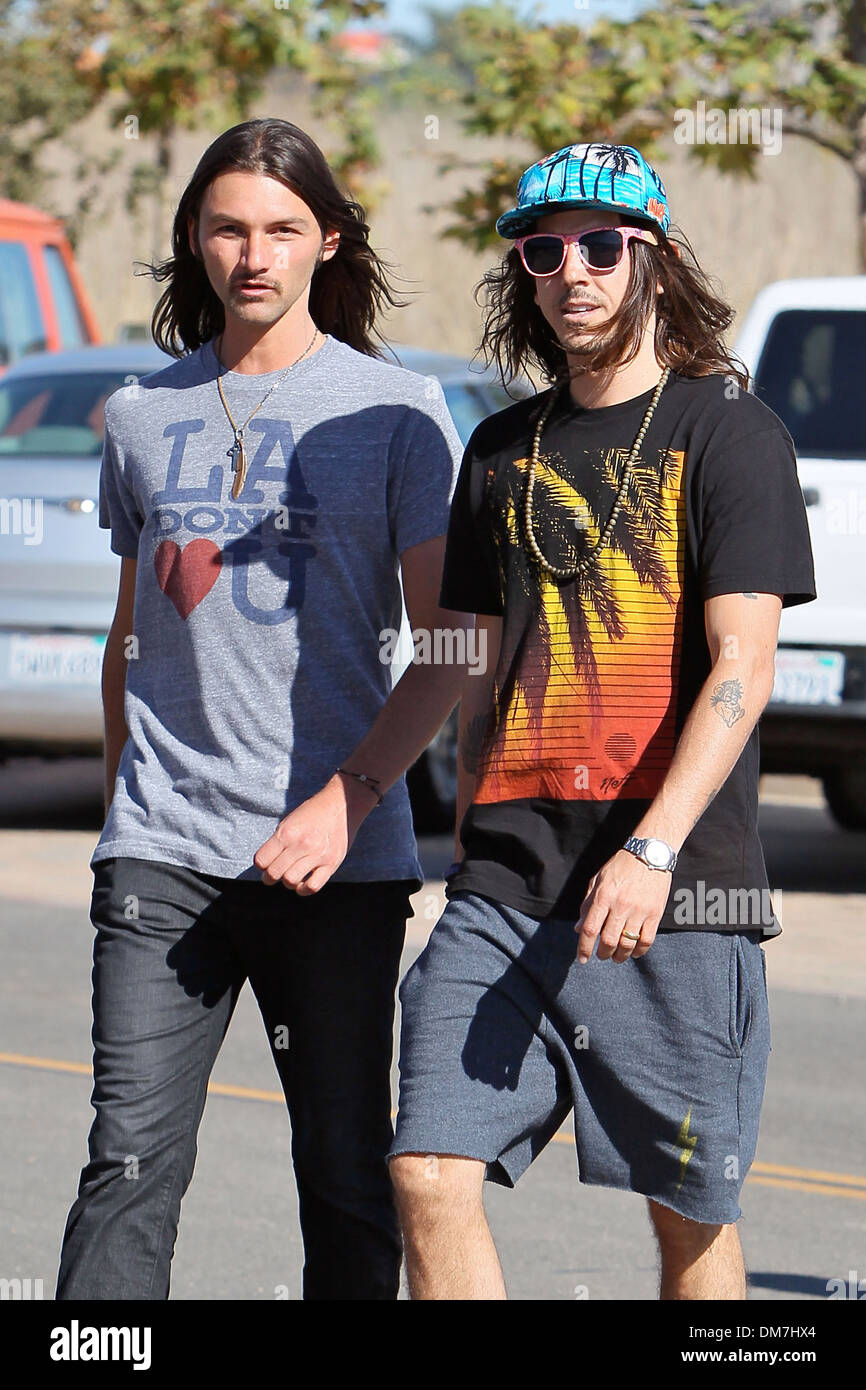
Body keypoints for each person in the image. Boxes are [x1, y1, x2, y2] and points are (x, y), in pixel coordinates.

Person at [387, 141, 817, 1300]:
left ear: (650, 260)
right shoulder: (498, 450)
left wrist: (651, 847)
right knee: (427, 1168)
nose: (568, 270)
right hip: (505, 884)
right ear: (520, 274)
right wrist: (464, 821)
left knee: (684, 1215)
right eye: (541, 250)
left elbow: (740, 665)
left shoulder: (728, 435)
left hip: (676, 889)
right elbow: (475, 663)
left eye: (597, 245)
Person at [55, 117, 468, 1301]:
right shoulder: (140, 414)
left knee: (342, 1174)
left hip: (336, 864)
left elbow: (447, 645)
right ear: (194, 239)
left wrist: (349, 800)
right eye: (228, 227)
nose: (254, 253)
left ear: (325, 242)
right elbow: (130, 635)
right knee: (126, 1163)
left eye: (283, 229)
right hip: (161, 856)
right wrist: (125, 797)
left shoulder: (395, 412)